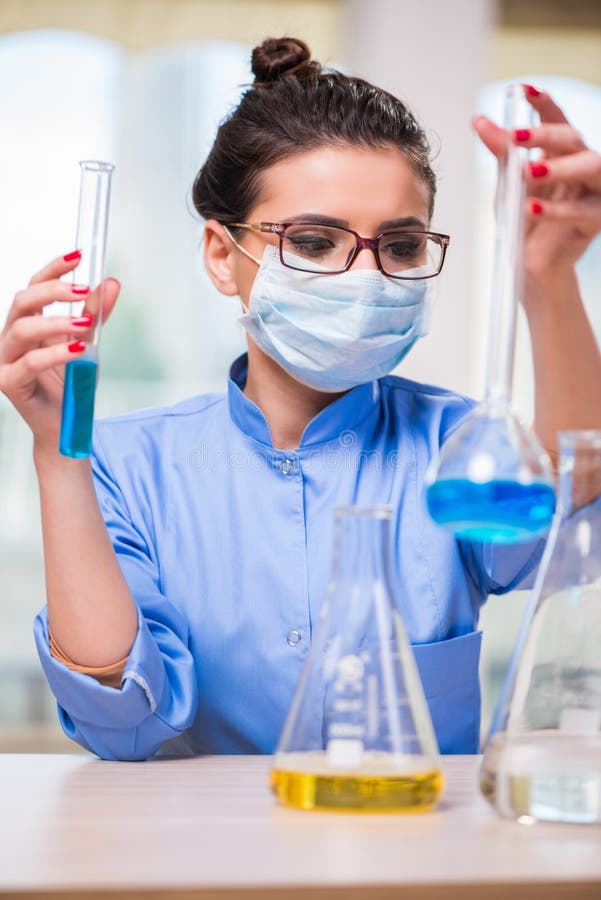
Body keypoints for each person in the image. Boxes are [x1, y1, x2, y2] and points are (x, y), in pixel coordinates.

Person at [1, 37, 599, 760]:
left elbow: (574, 510)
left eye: (401, 246)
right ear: (223, 256)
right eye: (315, 241)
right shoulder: (125, 464)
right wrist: (57, 453)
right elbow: (122, 718)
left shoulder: (456, 448)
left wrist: (550, 276)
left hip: (413, 862)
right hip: (192, 863)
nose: (364, 275)